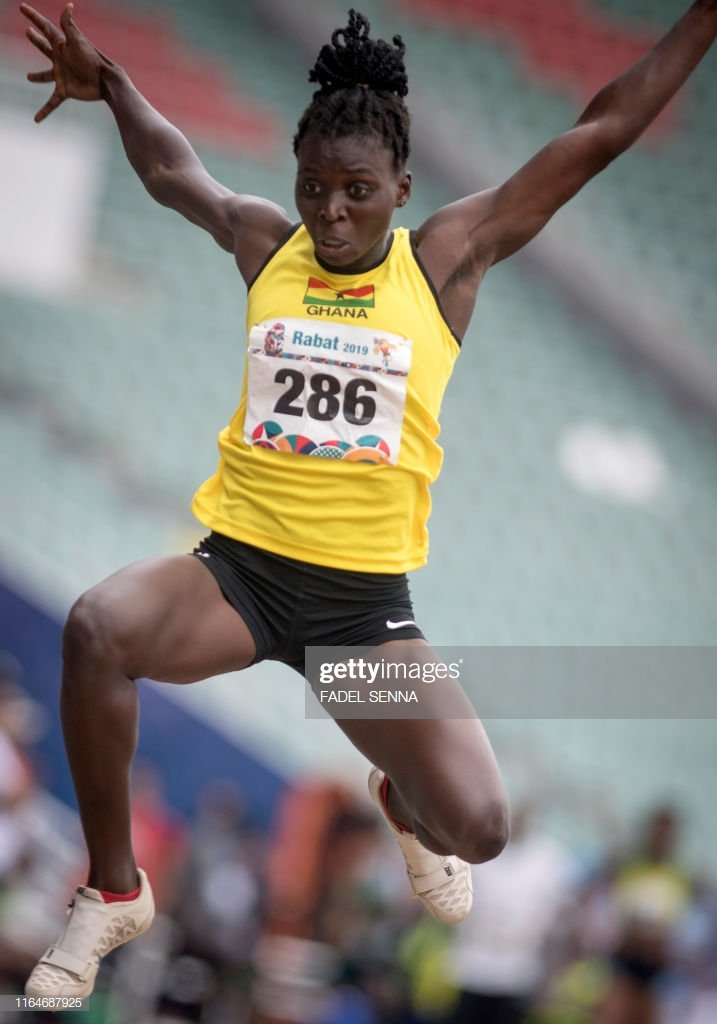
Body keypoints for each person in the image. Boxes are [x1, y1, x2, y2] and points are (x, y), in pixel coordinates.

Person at [19, 0, 716, 1001]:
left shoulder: (441, 263)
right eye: (314, 188)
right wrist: (116, 85)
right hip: (238, 580)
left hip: (360, 627)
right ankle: (115, 888)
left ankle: (401, 800)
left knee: (478, 831)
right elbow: (177, 172)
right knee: (95, 626)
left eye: (356, 192)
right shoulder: (271, 244)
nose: (331, 213)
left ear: (401, 186)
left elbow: (599, 131)